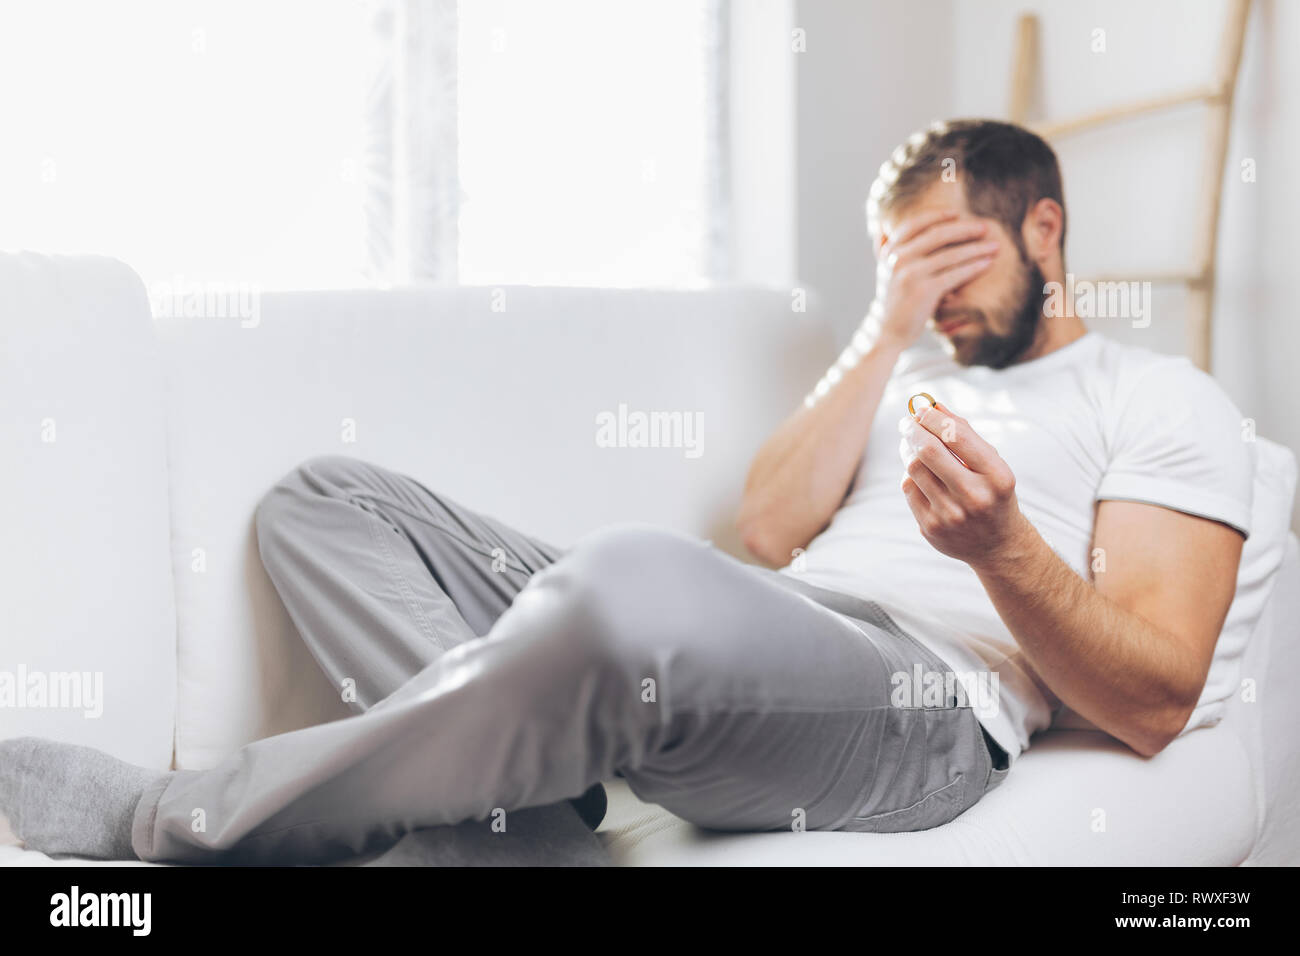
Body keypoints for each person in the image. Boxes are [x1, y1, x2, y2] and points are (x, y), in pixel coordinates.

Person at [0, 119, 1252, 865]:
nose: (931, 292)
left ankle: (174, 819)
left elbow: (1151, 697)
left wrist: (1000, 549)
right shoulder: (901, 362)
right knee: (323, 501)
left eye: (950, 256)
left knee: (626, 583)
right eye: (896, 261)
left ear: (1044, 230)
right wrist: (884, 326)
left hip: (928, 703)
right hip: (772, 632)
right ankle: (535, 827)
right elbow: (768, 531)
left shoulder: (1156, 396)